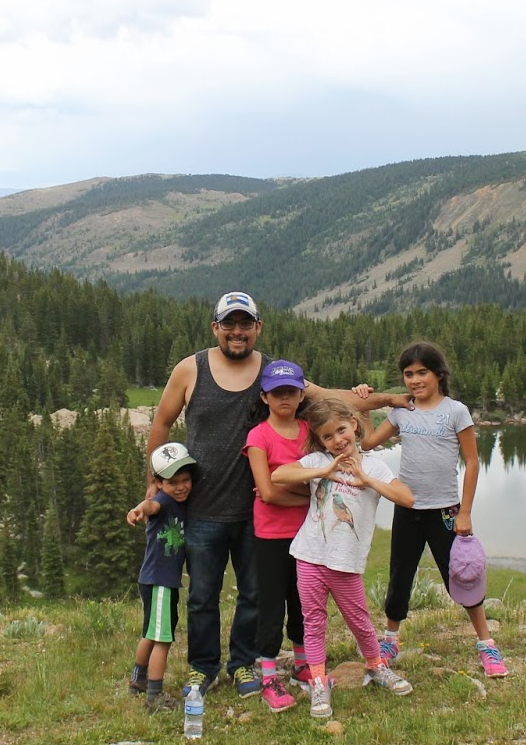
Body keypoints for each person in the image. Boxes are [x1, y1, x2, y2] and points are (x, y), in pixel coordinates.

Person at [146, 291, 398, 700]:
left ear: (258, 328)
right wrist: (153, 482)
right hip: (203, 509)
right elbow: (161, 423)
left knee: (254, 596)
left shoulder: (271, 373)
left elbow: (332, 400)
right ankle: (202, 668)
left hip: (255, 513)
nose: (237, 331)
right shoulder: (189, 370)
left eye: (245, 323)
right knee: (202, 596)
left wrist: (392, 400)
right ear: (216, 328)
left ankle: (244, 664)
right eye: (229, 323)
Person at [362, 341, 507, 678]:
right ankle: (390, 640)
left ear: (438, 374)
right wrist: (365, 405)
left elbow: (472, 463)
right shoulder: (402, 412)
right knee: (400, 574)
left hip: (445, 510)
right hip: (407, 508)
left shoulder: (456, 411)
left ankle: (487, 644)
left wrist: (465, 512)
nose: (414, 380)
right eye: (408, 374)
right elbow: (368, 443)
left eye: (421, 372)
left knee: (462, 575)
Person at [273, 395, 417, 720]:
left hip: (346, 562)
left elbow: (407, 498)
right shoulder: (315, 462)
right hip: (310, 556)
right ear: (320, 440)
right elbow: (278, 476)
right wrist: (325, 469)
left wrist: (367, 480)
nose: (337, 440)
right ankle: (319, 682)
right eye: (327, 436)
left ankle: (376, 666)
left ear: (354, 424)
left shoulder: (375, 466)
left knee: (360, 621)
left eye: (341, 430)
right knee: (313, 622)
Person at [243, 359, 313, 713]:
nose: (284, 398)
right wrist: (307, 496)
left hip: (308, 535)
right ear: (265, 396)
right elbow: (267, 493)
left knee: (302, 600)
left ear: (302, 394)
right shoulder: (259, 436)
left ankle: (302, 664)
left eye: (291, 391)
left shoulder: (309, 431)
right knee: (271, 603)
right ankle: (269, 674)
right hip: (271, 534)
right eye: (277, 392)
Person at [125, 441, 196, 712]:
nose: (181, 487)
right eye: (172, 481)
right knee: (163, 638)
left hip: (156, 579)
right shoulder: (163, 501)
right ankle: (154, 695)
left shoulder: (180, 499)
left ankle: (138, 680)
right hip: (160, 581)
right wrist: (139, 509)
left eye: (186, 480)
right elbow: (150, 506)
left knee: (151, 634)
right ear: (158, 482)